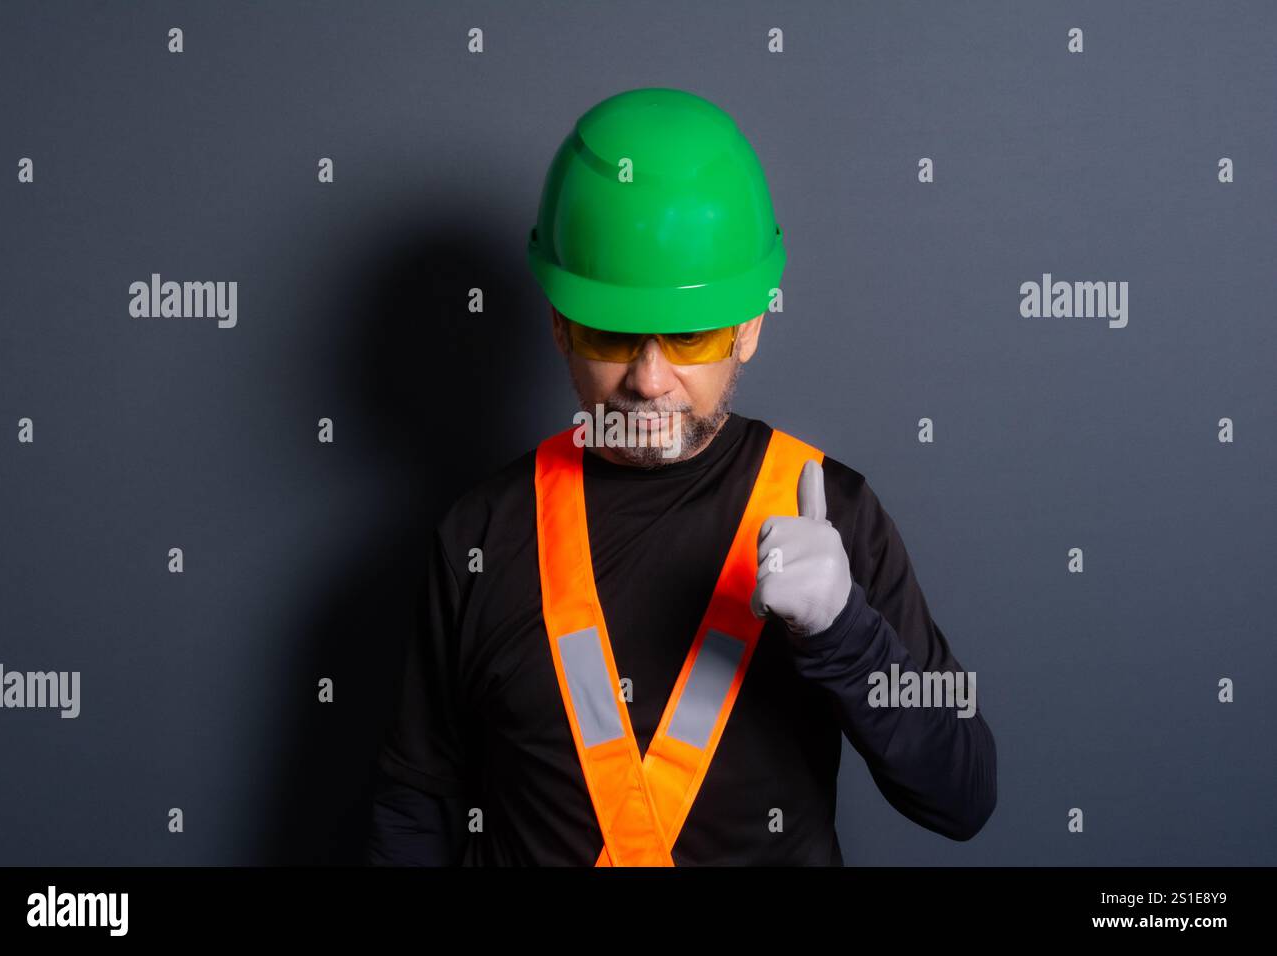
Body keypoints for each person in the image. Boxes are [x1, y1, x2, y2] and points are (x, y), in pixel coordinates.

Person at [366, 87, 996, 866]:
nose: (651, 380)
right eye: (614, 333)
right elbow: (414, 805)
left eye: (692, 337)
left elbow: (963, 796)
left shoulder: (833, 515)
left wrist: (846, 634)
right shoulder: (481, 534)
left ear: (750, 327)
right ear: (560, 322)